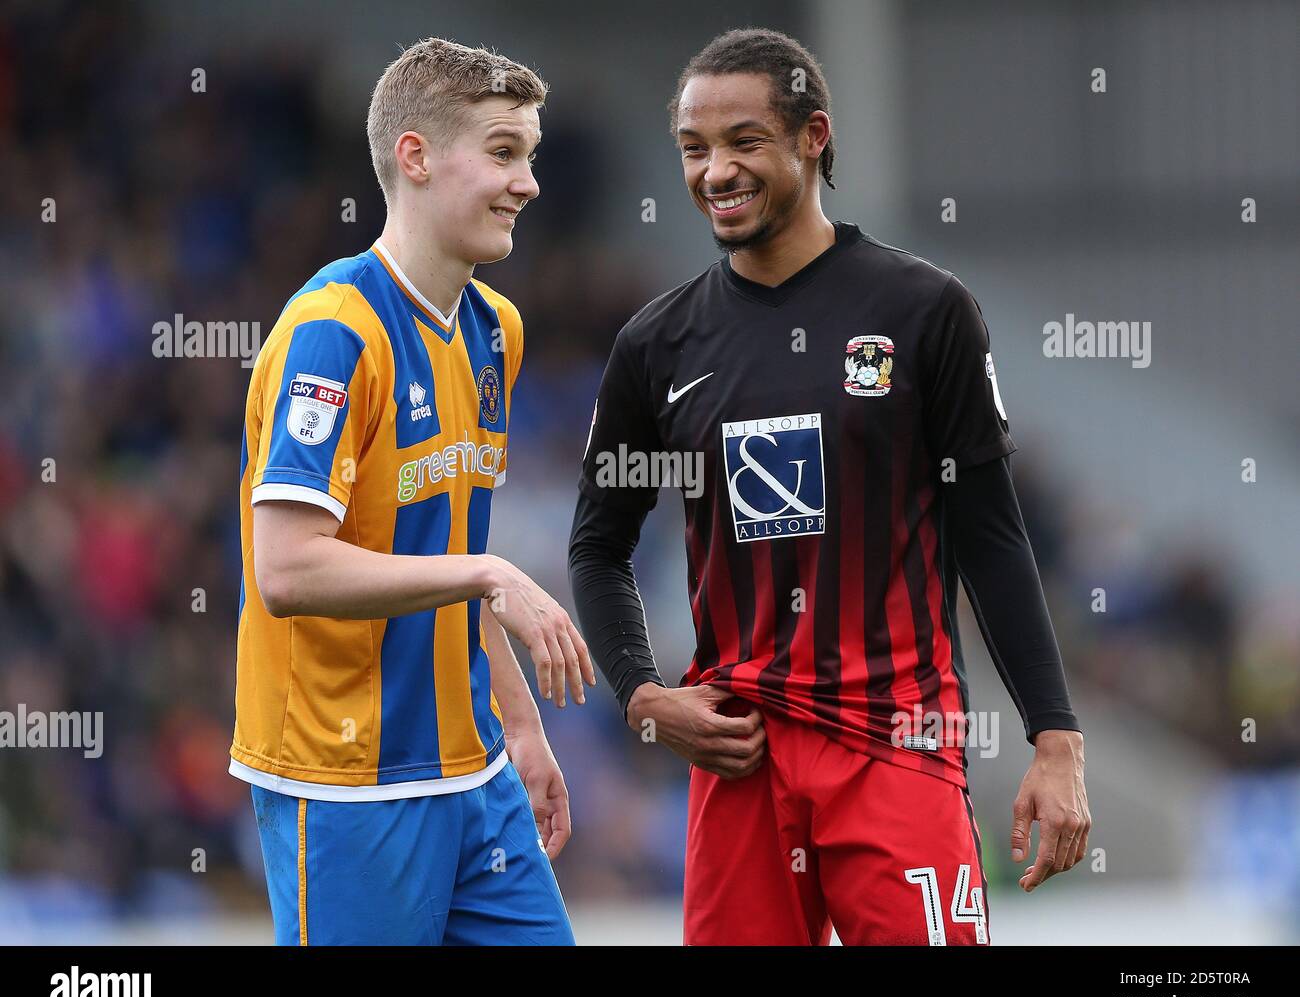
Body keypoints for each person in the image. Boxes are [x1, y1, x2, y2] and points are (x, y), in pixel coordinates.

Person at [568, 27, 1090, 945]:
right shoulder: (655, 345)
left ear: (813, 137)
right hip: (739, 753)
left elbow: (991, 537)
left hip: (896, 740)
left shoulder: (924, 311)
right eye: (693, 148)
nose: (715, 171)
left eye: (743, 141)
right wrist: (641, 694)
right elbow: (597, 544)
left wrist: (1055, 738)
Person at [232, 37, 594, 945]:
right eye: (504, 152)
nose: (528, 183)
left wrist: (521, 725)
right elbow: (286, 569)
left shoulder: (494, 329)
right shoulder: (332, 332)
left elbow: (444, 547)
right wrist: (491, 575)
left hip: (476, 771)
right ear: (416, 156)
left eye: (531, 156)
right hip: (347, 781)